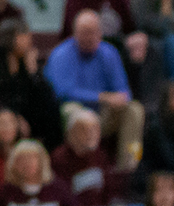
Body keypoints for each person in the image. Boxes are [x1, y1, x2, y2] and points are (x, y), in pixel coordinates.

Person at [44, 12, 142, 169]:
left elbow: (123, 90)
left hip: (103, 114)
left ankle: (130, 166)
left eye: (93, 32)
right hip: (73, 111)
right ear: (75, 33)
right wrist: (101, 97)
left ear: (100, 33)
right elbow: (62, 91)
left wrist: (120, 99)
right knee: (73, 111)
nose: (89, 37)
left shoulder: (110, 53)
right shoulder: (61, 54)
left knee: (134, 110)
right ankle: (81, 166)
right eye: (84, 32)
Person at [0, 22, 63, 154]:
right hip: (4, 111)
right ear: (10, 38)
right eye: (24, 35)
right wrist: (15, 115)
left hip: (27, 111)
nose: (29, 39)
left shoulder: (28, 60)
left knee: (53, 111)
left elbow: (44, 95)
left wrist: (34, 73)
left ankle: (50, 153)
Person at [48, 110, 121, 206]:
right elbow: (60, 197)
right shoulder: (59, 159)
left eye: (94, 129)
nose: (91, 134)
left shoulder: (100, 155)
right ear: (71, 132)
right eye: (83, 129)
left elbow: (110, 192)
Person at [0, 140, 72, 206]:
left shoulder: (59, 189)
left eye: (32, 158)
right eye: (22, 159)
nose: (27, 163)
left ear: (42, 162)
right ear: (13, 164)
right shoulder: (4, 192)